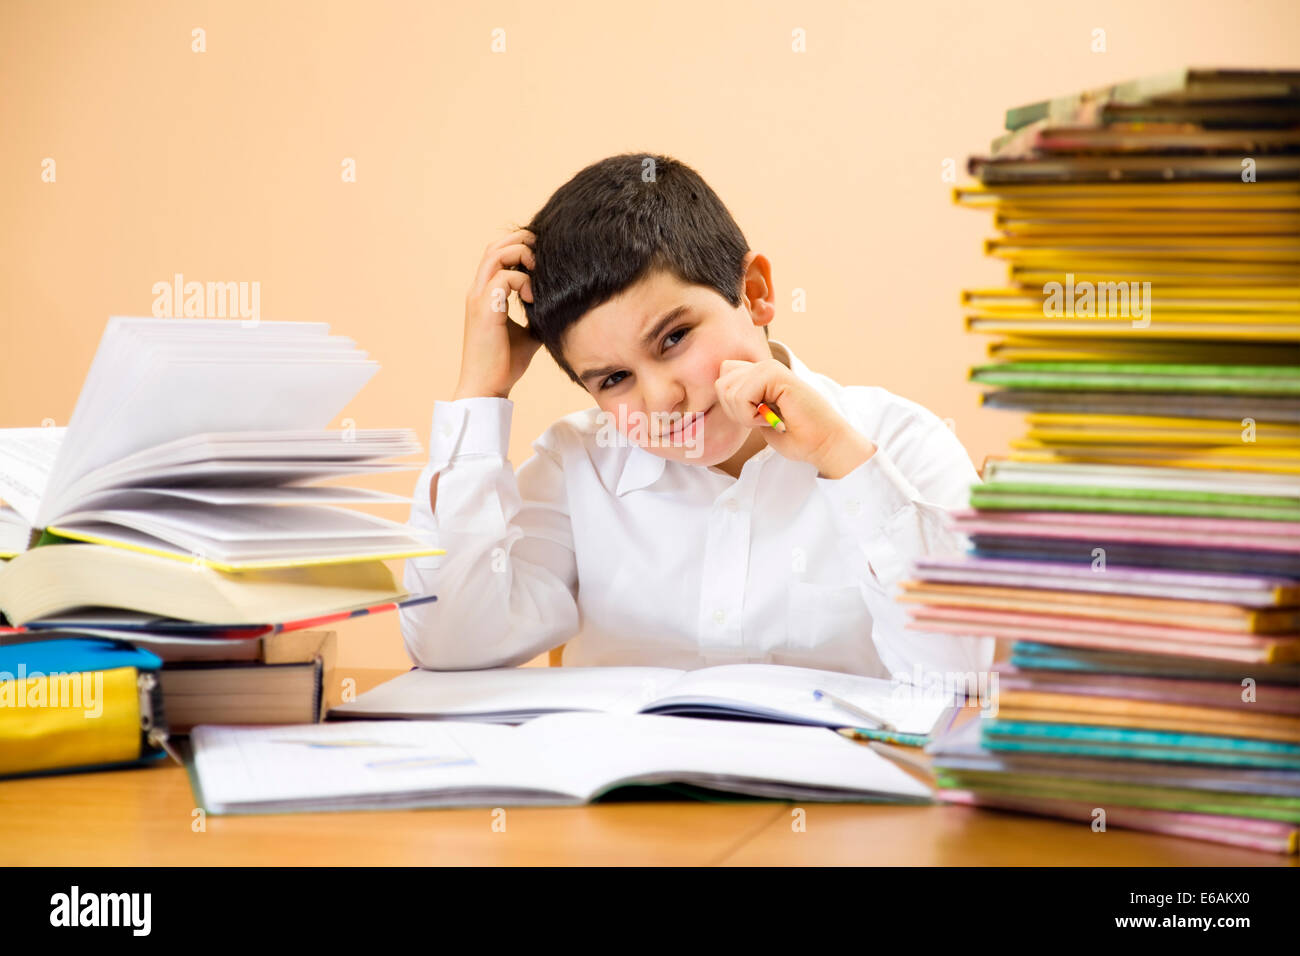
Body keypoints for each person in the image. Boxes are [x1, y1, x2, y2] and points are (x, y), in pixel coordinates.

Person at [400, 152, 993, 683]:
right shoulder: (577, 465)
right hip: (627, 802)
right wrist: (480, 391)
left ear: (755, 291)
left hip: (835, 800)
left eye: (675, 338)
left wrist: (838, 457)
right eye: (613, 379)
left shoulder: (901, 442)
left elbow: (959, 675)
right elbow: (450, 643)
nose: (661, 399)